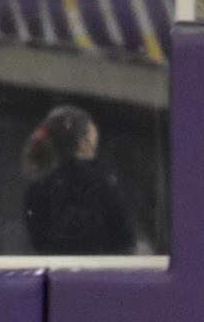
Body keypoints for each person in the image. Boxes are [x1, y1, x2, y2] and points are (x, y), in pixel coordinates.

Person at [21, 104, 142, 255]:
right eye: (93, 144)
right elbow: (126, 240)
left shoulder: (35, 188)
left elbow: (38, 244)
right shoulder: (102, 182)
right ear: (84, 144)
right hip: (97, 274)